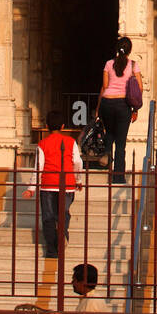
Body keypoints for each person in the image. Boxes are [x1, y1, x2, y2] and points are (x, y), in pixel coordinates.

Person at [24, 109, 84, 256]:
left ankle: (52, 249)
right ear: (63, 126)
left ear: (47, 126)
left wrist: (31, 188)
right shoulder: (71, 142)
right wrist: (78, 179)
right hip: (67, 184)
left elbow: (39, 167)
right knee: (63, 213)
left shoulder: (42, 144)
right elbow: (77, 162)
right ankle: (62, 236)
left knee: (48, 217)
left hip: (48, 184)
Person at [97, 37, 140, 185]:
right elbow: (138, 88)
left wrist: (98, 109)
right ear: (130, 50)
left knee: (109, 134)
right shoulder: (133, 65)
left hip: (107, 102)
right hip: (123, 104)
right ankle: (118, 176)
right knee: (121, 143)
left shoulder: (109, 64)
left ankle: (107, 157)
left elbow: (104, 85)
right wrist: (135, 109)